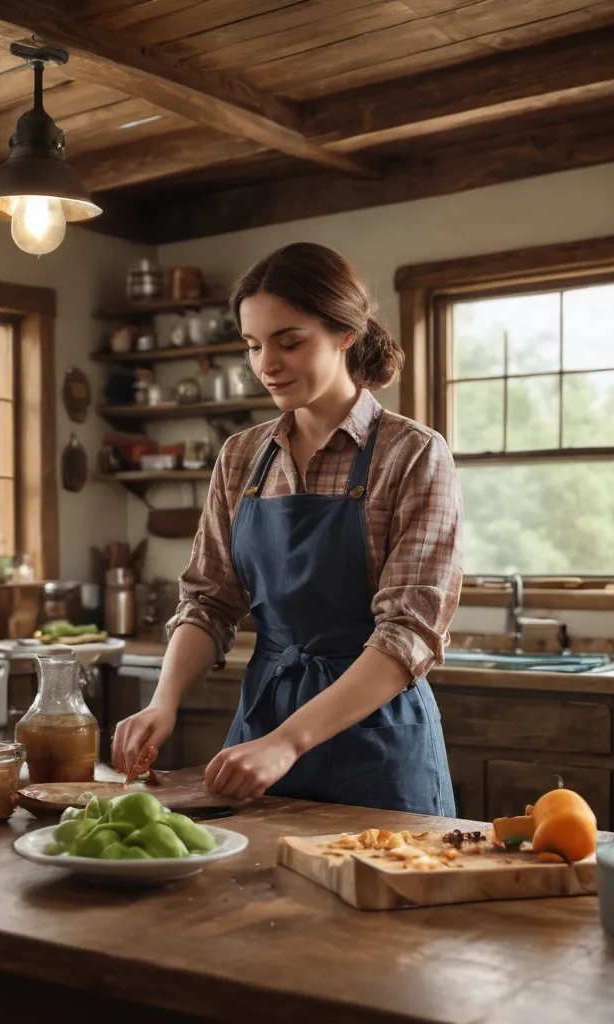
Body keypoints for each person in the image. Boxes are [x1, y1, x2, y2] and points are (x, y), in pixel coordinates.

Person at [112, 242, 462, 812]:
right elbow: (208, 601)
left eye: (289, 341)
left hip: (376, 744)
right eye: (252, 345)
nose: (266, 364)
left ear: (346, 334)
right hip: (261, 730)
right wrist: (163, 701)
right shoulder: (242, 456)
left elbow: (409, 634)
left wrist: (289, 742)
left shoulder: (413, 454)